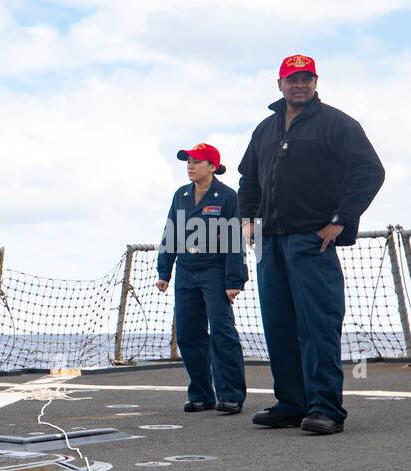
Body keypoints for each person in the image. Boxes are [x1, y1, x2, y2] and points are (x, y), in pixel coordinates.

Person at [237, 54, 385, 435]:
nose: (299, 85)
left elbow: (369, 171)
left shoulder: (337, 124)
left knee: (318, 325)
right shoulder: (265, 129)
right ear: (280, 84)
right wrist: (247, 220)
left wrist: (340, 220)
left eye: (306, 78)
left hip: (311, 241)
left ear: (315, 81)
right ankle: (291, 403)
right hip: (270, 243)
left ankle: (325, 408)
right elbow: (248, 179)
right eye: (292, 79)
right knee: (278, 324)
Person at [155, 143, 247, 414]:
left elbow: (234, 240)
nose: (190, 167)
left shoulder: (227, 196)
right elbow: (170, 231)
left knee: (222, 332)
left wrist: (234, 280)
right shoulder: (181, 195)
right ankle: (201, 394)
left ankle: (230, 395)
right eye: (188, 162)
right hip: (186, 270)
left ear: (212, 166)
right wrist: (164, 271)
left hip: (214, 271)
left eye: (196, 162)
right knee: (188, 333)